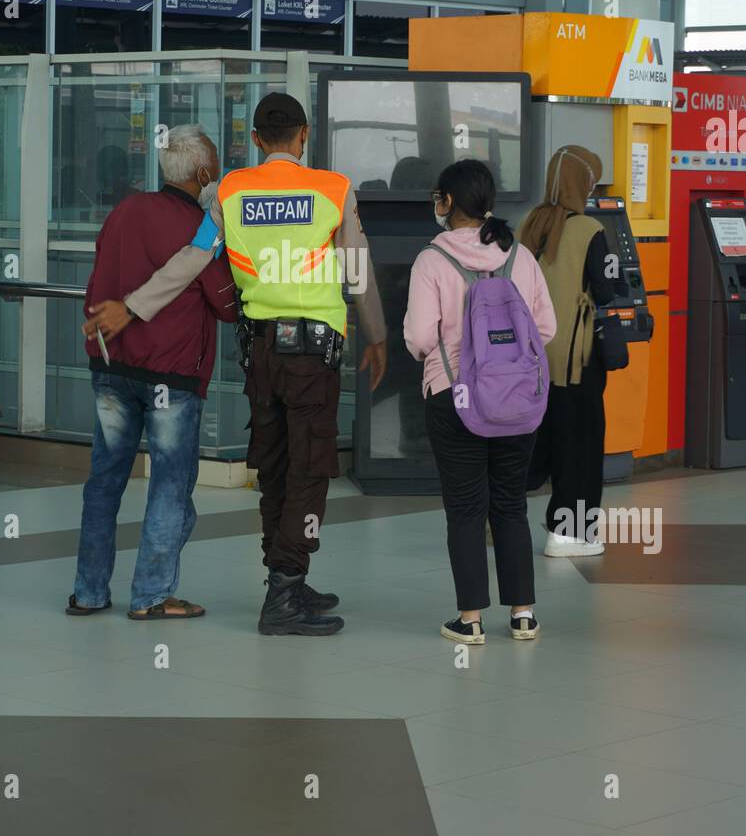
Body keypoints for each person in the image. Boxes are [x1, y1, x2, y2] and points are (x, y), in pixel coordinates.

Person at [84, 94, 388, 637]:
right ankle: (287, 588)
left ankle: (283, 575)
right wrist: (379, 336)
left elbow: (192, 260)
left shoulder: (230, 191)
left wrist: (133, 307)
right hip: (313, 356)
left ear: (253, 139)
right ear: (304, 136)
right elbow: (359, 272)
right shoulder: (334, 189)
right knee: (310, 468)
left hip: (260, 356)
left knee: (272, 467)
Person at [68, 125, 235, 621]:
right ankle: (152, 595)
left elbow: (99, 279)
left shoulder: (124, 211)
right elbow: (225, 304)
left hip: (111, 365)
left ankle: (88, 592)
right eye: (217, 166)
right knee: (169, 485)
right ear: (204, 173)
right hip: (172, 375)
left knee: (104, 480)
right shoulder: (200, 227)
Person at [404, 159, 556, 644]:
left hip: (455, 398)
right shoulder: (520, 256)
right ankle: (523, 616)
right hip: (518, 400)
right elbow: (545, 328)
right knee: (511, 505)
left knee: (466, 508)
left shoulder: (433, 259)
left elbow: (418, 336)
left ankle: (470, 620)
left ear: (448, 203)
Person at [521, 146, 627, 558]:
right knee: (580, 444)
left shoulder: (530, 224)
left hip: (532, 359)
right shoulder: (589, 230)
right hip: (576, 359)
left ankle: (498, 518)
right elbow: (607, 288)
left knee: (540, 440)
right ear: (581, 184)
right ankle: (569, 533)